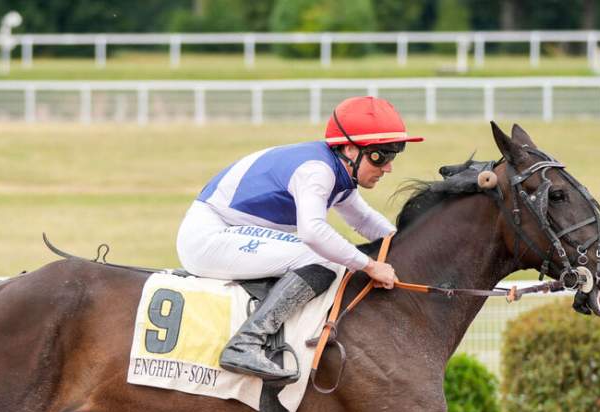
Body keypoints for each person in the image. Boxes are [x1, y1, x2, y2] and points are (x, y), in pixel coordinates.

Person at [176, 96, 422, 381]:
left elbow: (364, 220)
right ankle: (246, 342)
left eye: (394, 154)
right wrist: (369, 266)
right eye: (381, 155)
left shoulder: (337, 171)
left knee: (332, 252)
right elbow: (312, 231)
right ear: (350, 149)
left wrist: (408, 245)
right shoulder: (317, 171)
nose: (388, 167)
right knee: (322, 255)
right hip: (208, 237)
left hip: (228, 232)